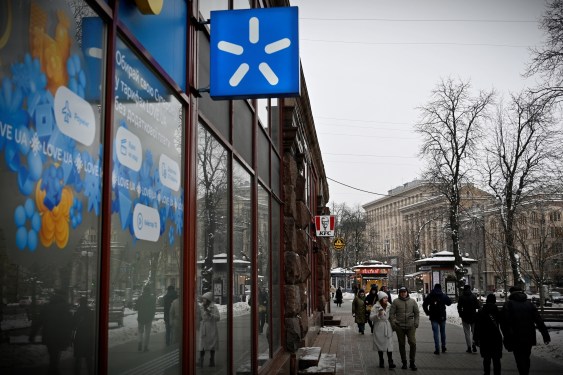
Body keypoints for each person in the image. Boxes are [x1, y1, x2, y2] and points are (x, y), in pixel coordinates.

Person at [500, 286, 550, 375]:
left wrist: (507, 336)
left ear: (511, 293)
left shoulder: (508, 305)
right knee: (526, 357)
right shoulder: (529, 304)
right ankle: (525, 372)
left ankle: (523, 372)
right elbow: (539, 320)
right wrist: (545, 335)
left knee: (519, 358)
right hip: (529, 336)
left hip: (515, 337)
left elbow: (504, 323)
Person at [29, 290, 73, 375]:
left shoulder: (47, 307)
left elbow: (38, 322)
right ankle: (53, 370)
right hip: (61, 336)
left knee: (53, 354)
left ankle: (53, 369)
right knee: (55, 356)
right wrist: (69, 336)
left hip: (49, 335)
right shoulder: (65, 308)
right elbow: (69, 323)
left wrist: (32, 335)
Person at [389, 286, 419, 371]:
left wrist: (416, 323)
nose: (403, 293)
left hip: (411, 326)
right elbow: (391, 314)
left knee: (413, 343)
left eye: (404, 292)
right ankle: (404, 362)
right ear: (399, 293)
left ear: (407, 292)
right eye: (401, 292)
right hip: (400, 326)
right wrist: (394, 324)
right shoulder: (396, 302)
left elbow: (417, 313)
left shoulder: (412, 301)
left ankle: (412, 362)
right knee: (401, 345)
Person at [474, 294, 503, 375]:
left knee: (486, 358)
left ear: (487, 300)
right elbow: (503, 324)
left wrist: (476, 338)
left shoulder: (481, 312)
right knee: (496, 359)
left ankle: (486, 373)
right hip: (496, 337)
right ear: (494, 301)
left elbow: (477, 326)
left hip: (485, 338)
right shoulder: (497, 311)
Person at [422, 283, 451, 355]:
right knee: (443, 332)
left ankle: (437, 349)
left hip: (433, 316)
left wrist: (427, 312)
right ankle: (443, 347)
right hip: (442, 316)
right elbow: (449, 303)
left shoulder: (430, 295)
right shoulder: (443, 295)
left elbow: (424, 304)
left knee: (435, 333)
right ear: (440, 288)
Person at [370, 291, 396, 369]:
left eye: (386, 298)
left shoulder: (389, 306)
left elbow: (393, 315)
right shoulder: (375, 306)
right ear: (380, 299)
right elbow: (371, 317)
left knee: (389, 344)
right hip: (379, 327)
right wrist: (378, 315)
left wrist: (394, 324)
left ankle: (390, 362)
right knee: (380, 344)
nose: (386, 299)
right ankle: (381, 360)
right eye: (384, 298)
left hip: (387, 326)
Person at [73, 297, 95, 374]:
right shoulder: (90, 312)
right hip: (89, 336)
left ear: (80, 303)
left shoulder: (77, 313)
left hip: (80, 336)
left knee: (78, 358)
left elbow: (73, 325)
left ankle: (77, 372)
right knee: (89, 358)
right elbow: (93, 325)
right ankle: (90, 372)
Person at [198, 291, 220, 367]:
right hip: (204, 327)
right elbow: (200, 317)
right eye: (203, 299)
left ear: (208, 299)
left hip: (211, 327)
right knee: (202, 345)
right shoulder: (201, 307)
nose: (203, 300)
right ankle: (201, 360)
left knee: (212, 345)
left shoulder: (214, 307)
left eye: (205, 299)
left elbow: (218, 318)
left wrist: (210, 314)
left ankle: (212, 360)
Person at [457, 284, 480, 353]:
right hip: (473, 316)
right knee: (474, 332)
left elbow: (459, 307)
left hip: (465, 317)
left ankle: (469, 347)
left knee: (467, 333)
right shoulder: (473, 296)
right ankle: (474, 344)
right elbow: (477, 306)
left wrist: (461, 314)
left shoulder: (461, 297)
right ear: (469, 289)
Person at [136, 284, 156, 352]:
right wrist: (152, 316)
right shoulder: (152, 298)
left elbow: (136, 307)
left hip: (140, 317)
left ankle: (139, 342)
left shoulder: (140, 298)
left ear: (143, 291)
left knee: (140, 331)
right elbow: (153, 308)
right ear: (149, 291)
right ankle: (145, 347)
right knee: (147, 333)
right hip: (148, 318)